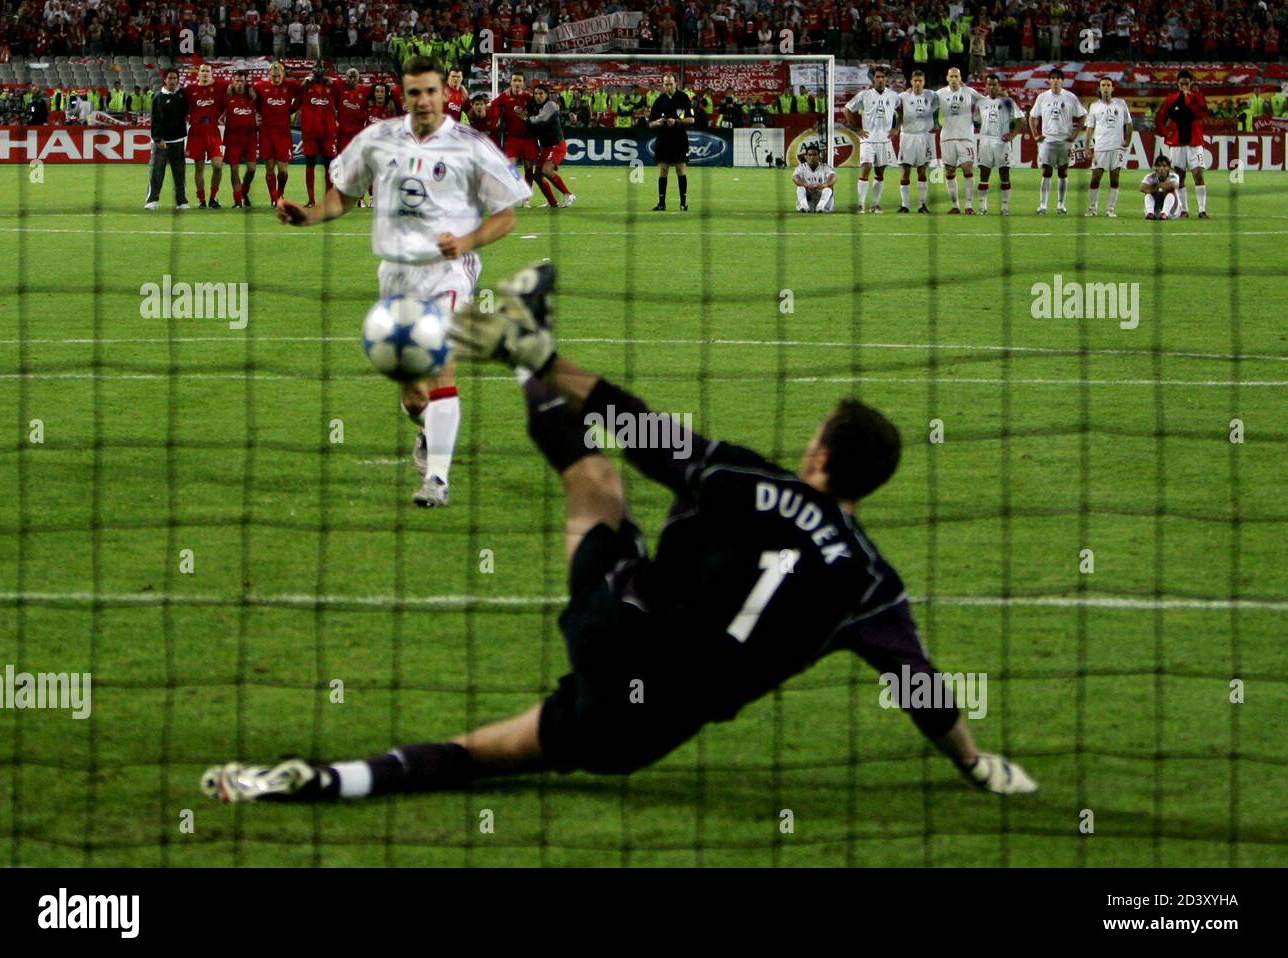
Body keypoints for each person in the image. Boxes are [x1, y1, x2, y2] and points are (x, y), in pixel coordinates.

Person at [201, 261, 1039, 804]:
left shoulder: (746, 476)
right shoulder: (870, 584)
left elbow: (636, 425)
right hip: (646, 723)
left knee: (597, 485)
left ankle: (527, 353)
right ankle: (318, 782)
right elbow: (921, 689)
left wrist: (547, 366)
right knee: (483, 753)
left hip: (618, 623)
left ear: (816, 453)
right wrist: (974, 763)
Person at [271, 56, 532, 509]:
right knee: (414, 394)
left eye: (432, 91)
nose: (424, 100)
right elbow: (345, 195)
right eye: (415, 93)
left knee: (443, 364)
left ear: (446, 94)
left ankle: (437, 481)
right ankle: (424, 428)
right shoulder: (377, 139)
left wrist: (466, 240)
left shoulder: (471, 146)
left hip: (448, 271)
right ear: (404, 95)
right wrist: (309, 216)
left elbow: (506, 216)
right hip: (395, 273)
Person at [1028, 66, 1086, 215]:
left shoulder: (1070, 97)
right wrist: (1035, 134)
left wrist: (1074, 134)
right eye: (1053, 78)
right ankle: (1043, 205)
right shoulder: (1042, 97)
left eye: (1058, 78)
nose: (1055, 81)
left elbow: (1082, 115)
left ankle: (1061, 205)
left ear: (1062, 81)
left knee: (1063, 172)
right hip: (1047, 140)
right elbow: (1032, 116)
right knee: (1046, 172)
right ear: (1049, 81)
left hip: (1065, 141)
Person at [843, 65, 898, 213]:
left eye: (882, 77)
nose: (880, 79)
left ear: (886, 79)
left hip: (885, 140)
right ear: (873, 79)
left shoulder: (893, 96)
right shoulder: (864, 95)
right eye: (877, 77)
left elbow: (902, 109)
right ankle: (860, 204)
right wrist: (856, 129)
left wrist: (896, 128)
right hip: (868, 138)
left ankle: (875, 205)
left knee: (880, 173)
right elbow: (846, 109)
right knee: (866, 168)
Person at [1155, 69, 1209, 218]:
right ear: (1177, 84)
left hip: (1194, 143)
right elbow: (1159, 118)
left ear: (1191, 83)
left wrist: (1190, 99)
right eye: (1181, 83)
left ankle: (1202, 210)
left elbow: (1203, 113)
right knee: (1180, 177)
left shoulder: (1198, 97)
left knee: (1198, 174)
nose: (1184, 86)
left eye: (1187, 83)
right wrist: (1166, 132)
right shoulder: (1171, 99)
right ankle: (1184, 210)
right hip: (1177, 144)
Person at [253, 60, 302, 206]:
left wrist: (292, 110)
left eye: (278, 74)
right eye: (273, 74)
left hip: (283, 132)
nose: (276, 77)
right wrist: (257, 114)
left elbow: (303, 93)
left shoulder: (290, 85)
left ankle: (280, 193)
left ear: (283, 74)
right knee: (269, 166)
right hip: (266, 132)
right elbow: (253, 103)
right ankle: (274, 198)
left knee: (283, 170)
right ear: (269, 74)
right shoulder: (260, 86)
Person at [936, 66, 984, 214]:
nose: (954, 80)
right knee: (949, 171)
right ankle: (955, 205)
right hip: (947, 137)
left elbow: (984, 102)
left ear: (960, 78)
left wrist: (977, 115)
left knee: (967, 169)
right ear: (947, 78)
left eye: (956, 77)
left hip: (965, 137)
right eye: (951, 77)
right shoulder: (939, 94)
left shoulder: (969, 92)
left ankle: (969, 205)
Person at [975, 72, 1024, 216]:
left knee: (1004, 174)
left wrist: (1012, 135)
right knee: (984, 173)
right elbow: (976, 120)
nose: (991, 87)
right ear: (985, 86)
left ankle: (1004, 208)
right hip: (985, 141)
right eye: (989, 84)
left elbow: (1021, 120)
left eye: (994, 84)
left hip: (1001, 142)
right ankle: (983, 207)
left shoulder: (1007, 102)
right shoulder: (981, 102)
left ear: (999, 86)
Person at [1085, 77, 1132, 218]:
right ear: (1099, 88)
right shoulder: (1094, 106)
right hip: (1100, 147)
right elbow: (1089, 128)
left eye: (1108, 85)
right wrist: (1087, 146)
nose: (1105, 87)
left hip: (1117, 147)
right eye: (1103, 85)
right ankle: (1092, 208)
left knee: (1115, 178)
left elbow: (1129, 123)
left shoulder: (1121, 104)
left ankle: (1110, 209)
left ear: (1113, 88)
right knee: (1095, 178)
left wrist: (1128, 139)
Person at [488, 72, 536, 209]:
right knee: (511, 168)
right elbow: (491, 105)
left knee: (528, 169)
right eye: (514, 80)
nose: (516, 83)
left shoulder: (528, 97)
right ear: (511, 82)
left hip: (528, 138)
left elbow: (538, 111)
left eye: (519, 80)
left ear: (523, 83)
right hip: (513, 138)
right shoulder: (504, 96)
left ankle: (526, 198)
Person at [145, 68, 190, 211]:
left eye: (175, 78)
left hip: (177, 141)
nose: (173, 81)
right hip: (162, 142)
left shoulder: (182, 95)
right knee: (157, 172)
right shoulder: (158, 97)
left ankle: (181, 201)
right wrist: (158, 139)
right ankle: (152, 200)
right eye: (170, 78)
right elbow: (155, 119)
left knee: (179, 173)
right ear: (165, 80)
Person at [184, 64, 228, 209]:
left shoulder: (219, 88)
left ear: (211, 74)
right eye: (202, 71)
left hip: (213, 131)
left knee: (217, 166)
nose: (204, 73)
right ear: (198, 74)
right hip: (196, 132)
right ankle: (202, 200)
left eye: (207, 71)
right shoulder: (190, 90)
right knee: (199, 168)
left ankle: (213, 197)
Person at [526, 84, 576, 208]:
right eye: (536, 94)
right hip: (546, 147)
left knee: (546, 170)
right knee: (537, 176)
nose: (538, 96)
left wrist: (526, 118)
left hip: (556, 145)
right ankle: (552, 203)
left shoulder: (551, 106)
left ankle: (568, 194)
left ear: (547, 95)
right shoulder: (535, 107)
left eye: (541, 93)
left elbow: (540, 121)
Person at [648, 73, 693, 211]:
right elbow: (650, 124)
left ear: (676, 83)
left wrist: (677, 121)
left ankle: (683, 203)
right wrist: (658, 122)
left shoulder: (683, 98)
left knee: (680, 169)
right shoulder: (659, 100)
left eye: (670, 84)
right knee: (663, 170)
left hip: (679, 138)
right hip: (663, 139)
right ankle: (661, 203)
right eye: (665, 84)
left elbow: (691, 120)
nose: (668, 87)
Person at [896, 69, 937, 213]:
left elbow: (939, 105)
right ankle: (905, 205)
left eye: (920, 81)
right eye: (915, 81)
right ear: (911, 82)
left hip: (924, 137)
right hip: (907, 136)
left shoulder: (931, 95)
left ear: (924, 82)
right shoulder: (903, 96)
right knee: (905, 170)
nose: (918, 83)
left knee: (922, 171)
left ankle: (922, 205)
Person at [299, 62, 339, 207]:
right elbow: (293, 103)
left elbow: (347, 84)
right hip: (310, 134)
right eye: (316, 69)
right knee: (310, 166)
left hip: (328, 134)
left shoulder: (332, 86)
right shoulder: (305, 87)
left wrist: (332, 80)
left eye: (321, 69)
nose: (318, 72)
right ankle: (311, 200)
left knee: (329, 166)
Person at [223, 74, 259, 208]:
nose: (239, 83)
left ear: (245, 83)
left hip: (250, 139)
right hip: (232, 139)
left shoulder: (252, 96)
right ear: (233, 82)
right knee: (234, 170)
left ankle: (244, 192)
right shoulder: (227, 96)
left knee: (251, 169)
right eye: (237, 81)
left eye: (242, 81)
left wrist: (250, 87)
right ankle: (237, 200)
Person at [793, 144, 836, 212]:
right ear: (806, 157)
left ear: (819, 156)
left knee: (828, 189)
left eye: (815, 155)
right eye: (810, 155)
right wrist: (807, 185)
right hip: (808, 198)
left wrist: (824, 185)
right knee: (800, 188)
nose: (812, 157)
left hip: (821, 197)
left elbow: (833, 177)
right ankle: (804, 207)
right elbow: (795, 177)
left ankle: (820, 207)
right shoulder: (801, 168)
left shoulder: (825, 167)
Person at [1140, 154, 1179, 219]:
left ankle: (1164, 213)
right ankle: (1150, 213)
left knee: (1170, 192)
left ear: (1168, 168)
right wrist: (1161, 188)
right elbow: (1142, 188)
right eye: (1159, 166)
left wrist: (1155, 186)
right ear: (1156, 167)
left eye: (1164, 166)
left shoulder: (1173, 176)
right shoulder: (1150, 176)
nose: (1161, 168)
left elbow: (1173, 185)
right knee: (1148, 193)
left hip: (1172, 211)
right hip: (1156, 208)